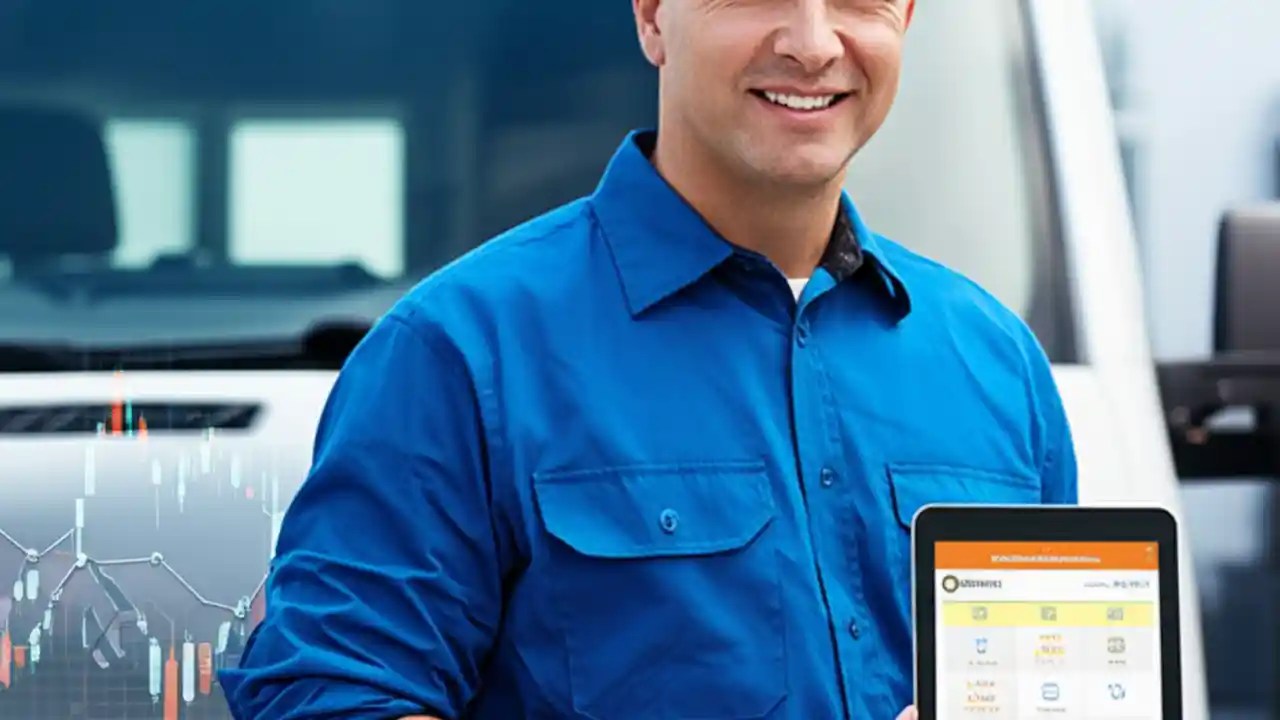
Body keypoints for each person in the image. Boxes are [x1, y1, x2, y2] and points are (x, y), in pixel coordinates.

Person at [220, 0, 1077, 717]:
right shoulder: (456, 353)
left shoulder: (999, 364)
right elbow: (335, 697)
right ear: (652, 16)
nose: (813, 43)